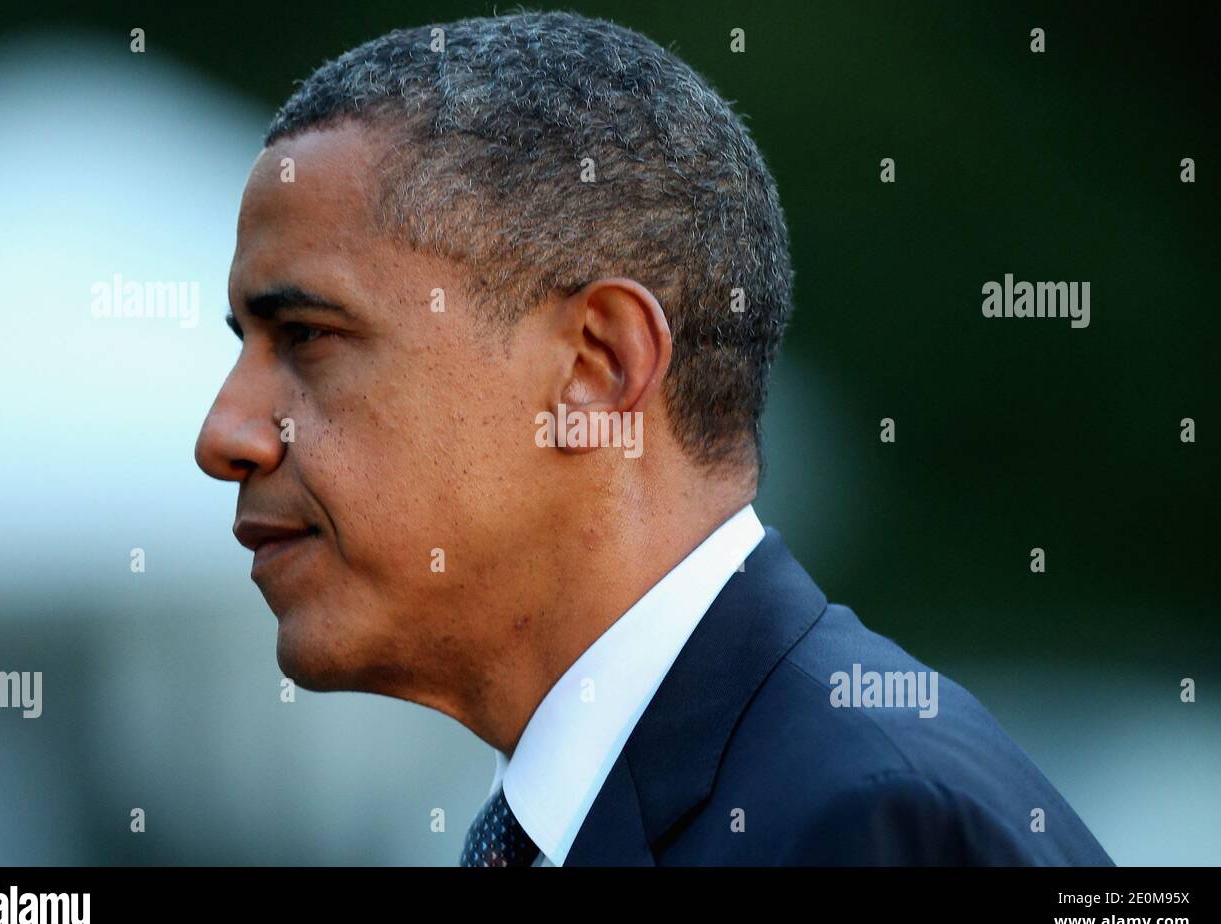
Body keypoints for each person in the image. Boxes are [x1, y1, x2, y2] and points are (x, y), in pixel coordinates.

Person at [194, 10, 1113, 866]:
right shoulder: (729, 799)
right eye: (247, 346)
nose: (223, 435)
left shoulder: (868, 826)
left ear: (597, 367)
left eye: (308, 336)